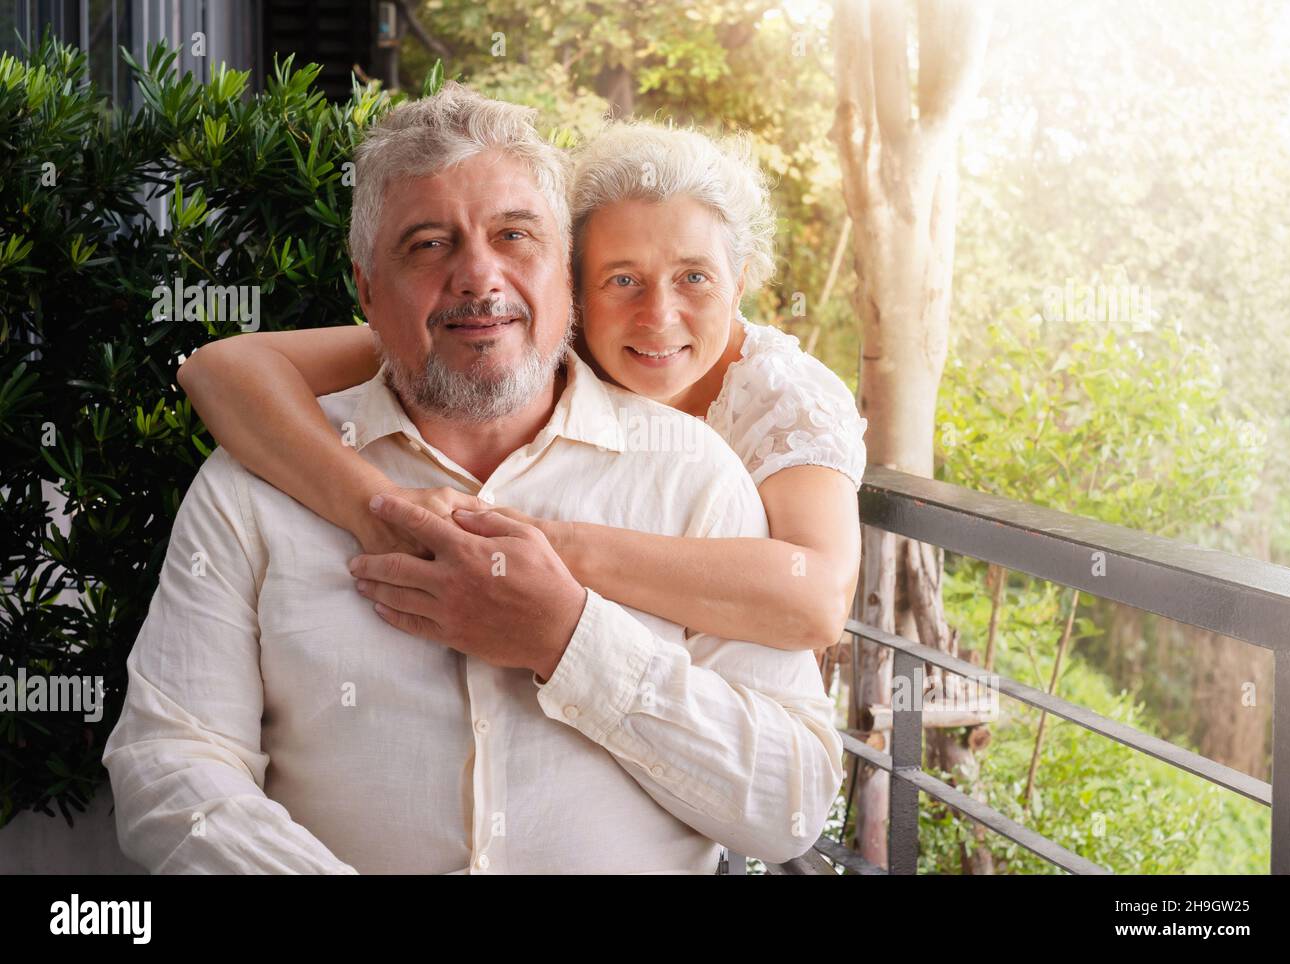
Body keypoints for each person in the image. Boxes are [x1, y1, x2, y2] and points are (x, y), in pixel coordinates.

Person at [102, 82, 844, 874]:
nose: (478, 276)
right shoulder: (256, 483)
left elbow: (791, 806)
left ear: (562, 274)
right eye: (427, 244)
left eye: (515, 235)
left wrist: (567, 638)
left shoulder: (697, 478)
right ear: (365, 290)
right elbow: (171, 763)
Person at [177, 121, 869, 654]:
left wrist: (531, 549)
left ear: (741, 282)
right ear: (570, 289)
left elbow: (816, 599)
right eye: (621, 279)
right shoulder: (535, 343)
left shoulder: (783, 397)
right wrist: (371, 508)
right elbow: (220, 369)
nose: (659, 316)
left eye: (695, 277)